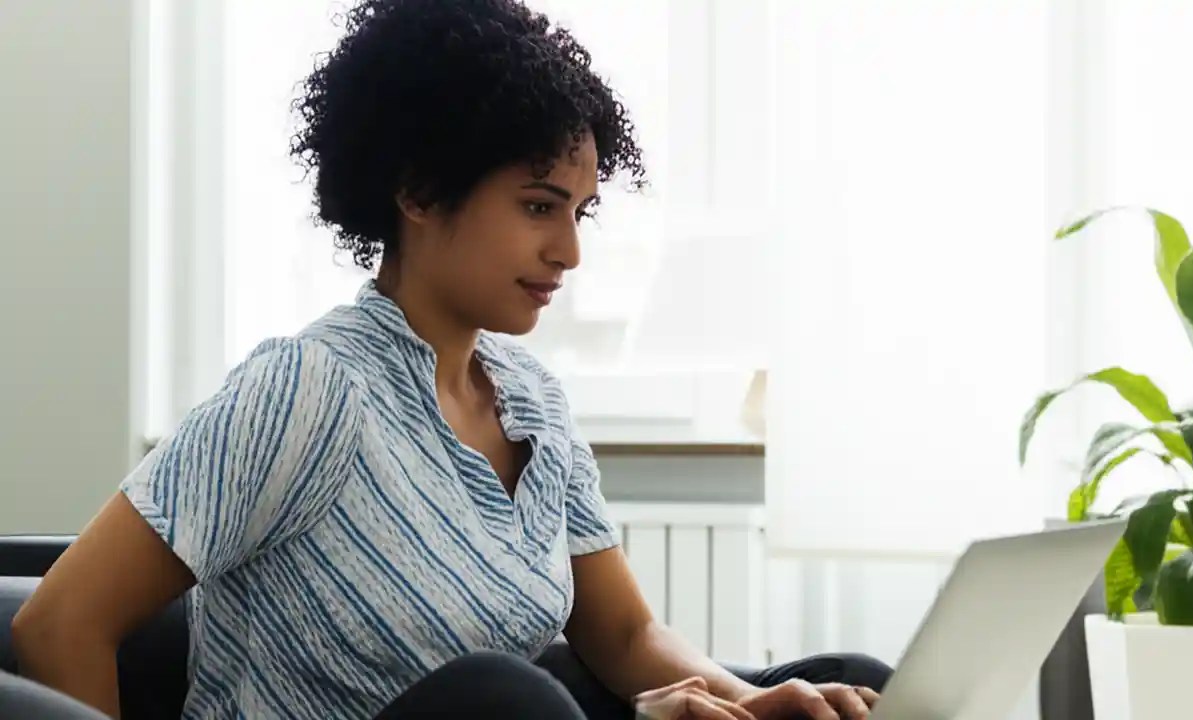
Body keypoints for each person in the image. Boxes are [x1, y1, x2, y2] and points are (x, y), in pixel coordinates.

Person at [10, 1, 892, 718]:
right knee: (508, 698)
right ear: (420, 189)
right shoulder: (308, 390)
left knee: (854, 686)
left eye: (581, 213)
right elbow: (61, 623)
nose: (569, 254)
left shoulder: (535, 404)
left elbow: (624, 638)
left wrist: (756, 701)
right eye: (540, 207)